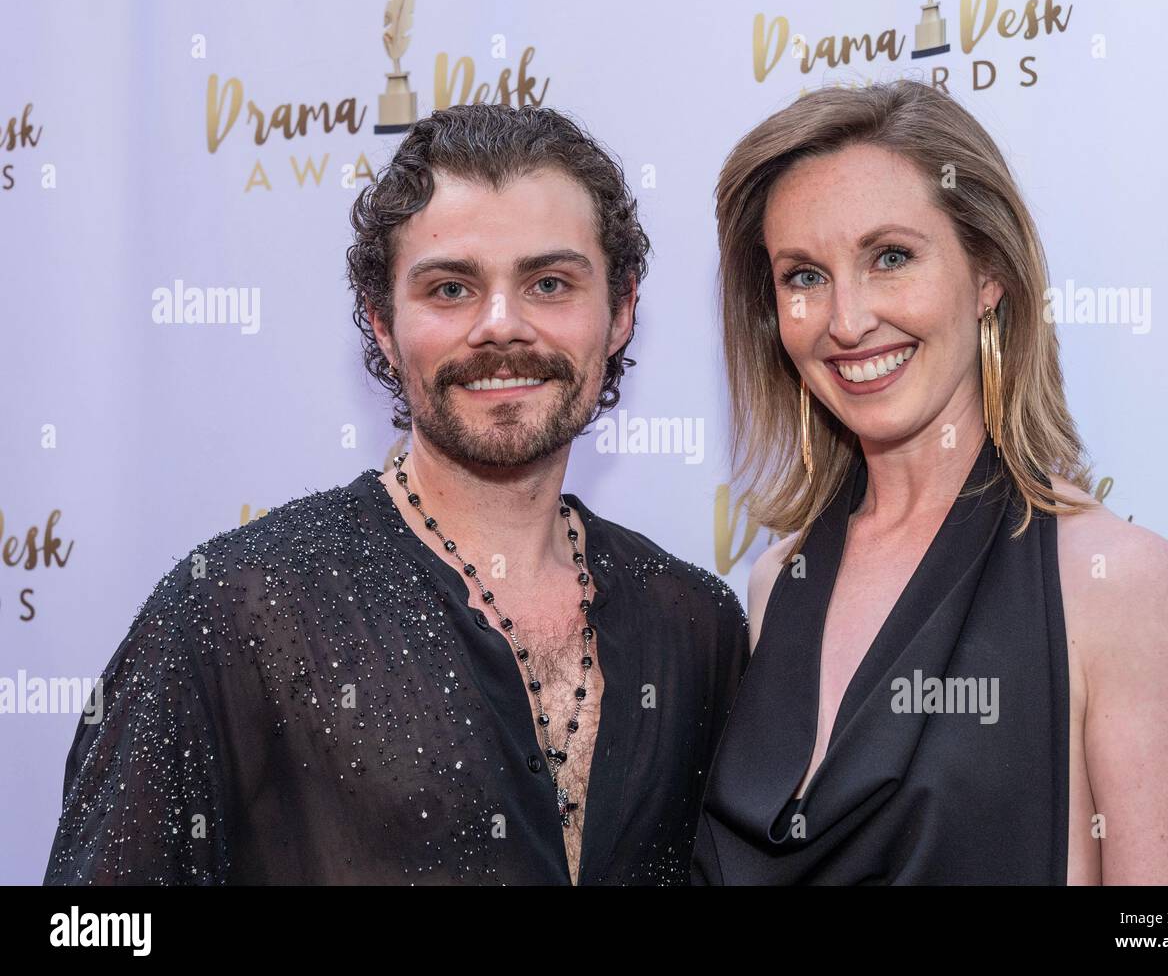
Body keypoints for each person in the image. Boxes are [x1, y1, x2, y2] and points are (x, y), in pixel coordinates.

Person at [44, 104, 748, 886]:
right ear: (382, 323)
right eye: (451, 288)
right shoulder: (235, 614)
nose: (501, 326)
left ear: (619, 312)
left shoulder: (697, 625)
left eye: (549, 283)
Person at [692, 81, 1168, 884]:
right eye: (803, 275)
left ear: (989, 275)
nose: (846, 319)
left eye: (891, 257)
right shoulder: (778, 581)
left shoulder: (1115, 583)